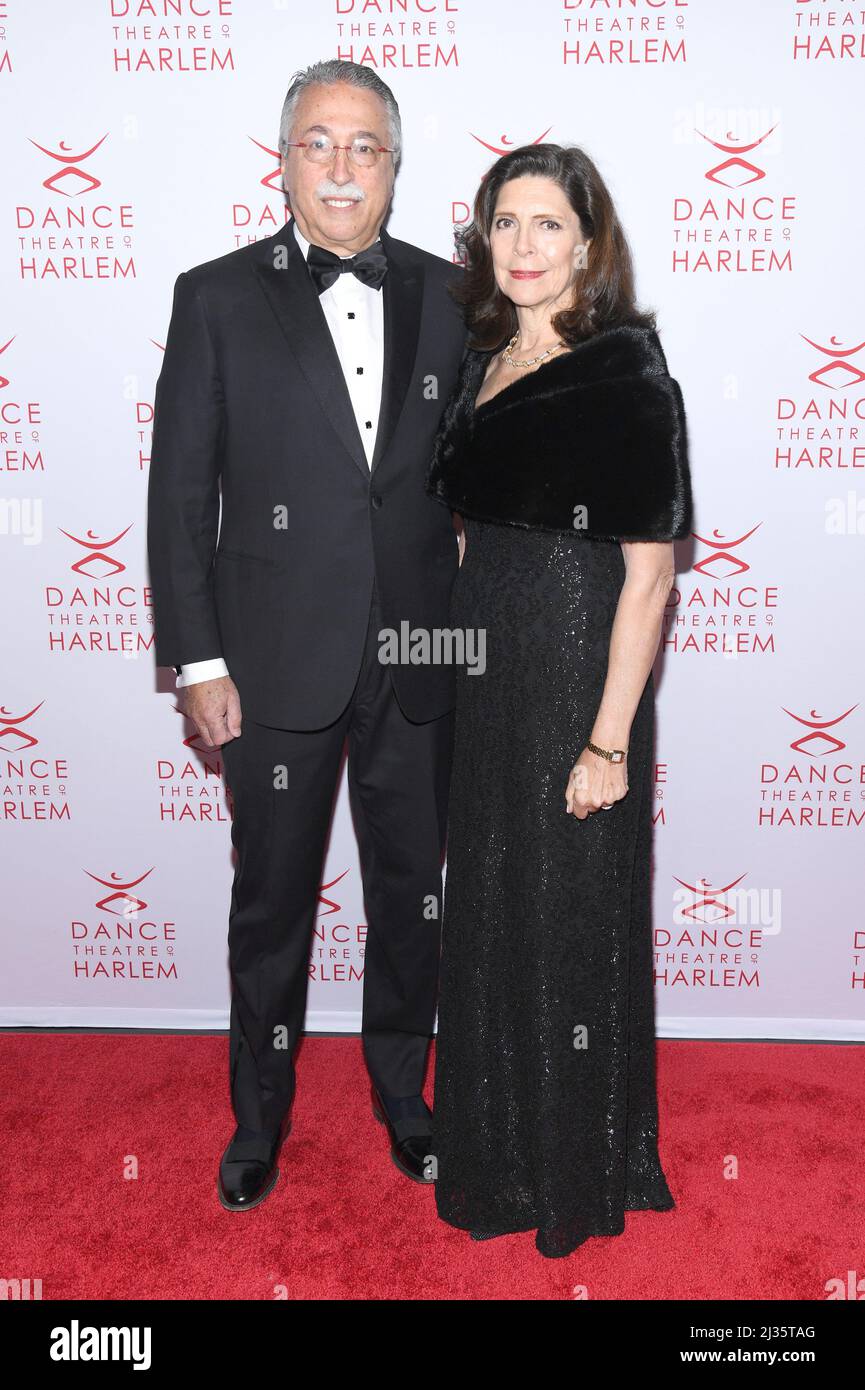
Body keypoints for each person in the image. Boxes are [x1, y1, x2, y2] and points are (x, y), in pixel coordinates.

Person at [147, 59, 466, 1212]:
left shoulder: (450, 295)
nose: (341, 166)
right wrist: (199, 660)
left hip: (424, 660)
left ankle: (407, 1101)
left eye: (364, 145)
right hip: (273, 660)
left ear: (394, 164)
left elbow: (479, 479)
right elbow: (181, 493)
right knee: (270, 907)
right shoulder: (218, 295)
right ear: (283, 161)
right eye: (318, 143)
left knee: (410, 901)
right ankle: (259, 1121)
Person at [425, 142, 693, 1258]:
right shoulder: (482, 354)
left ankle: (571, 1174)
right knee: (492, 905)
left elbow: (649, 574)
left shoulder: (625, 371)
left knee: (564, 917)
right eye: (505, 224)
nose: (524, 247)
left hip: (579, 675)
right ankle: (496, 1155)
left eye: (547, 224)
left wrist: (607, 740)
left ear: (587, 241)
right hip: (490, 679)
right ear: (484, 240)